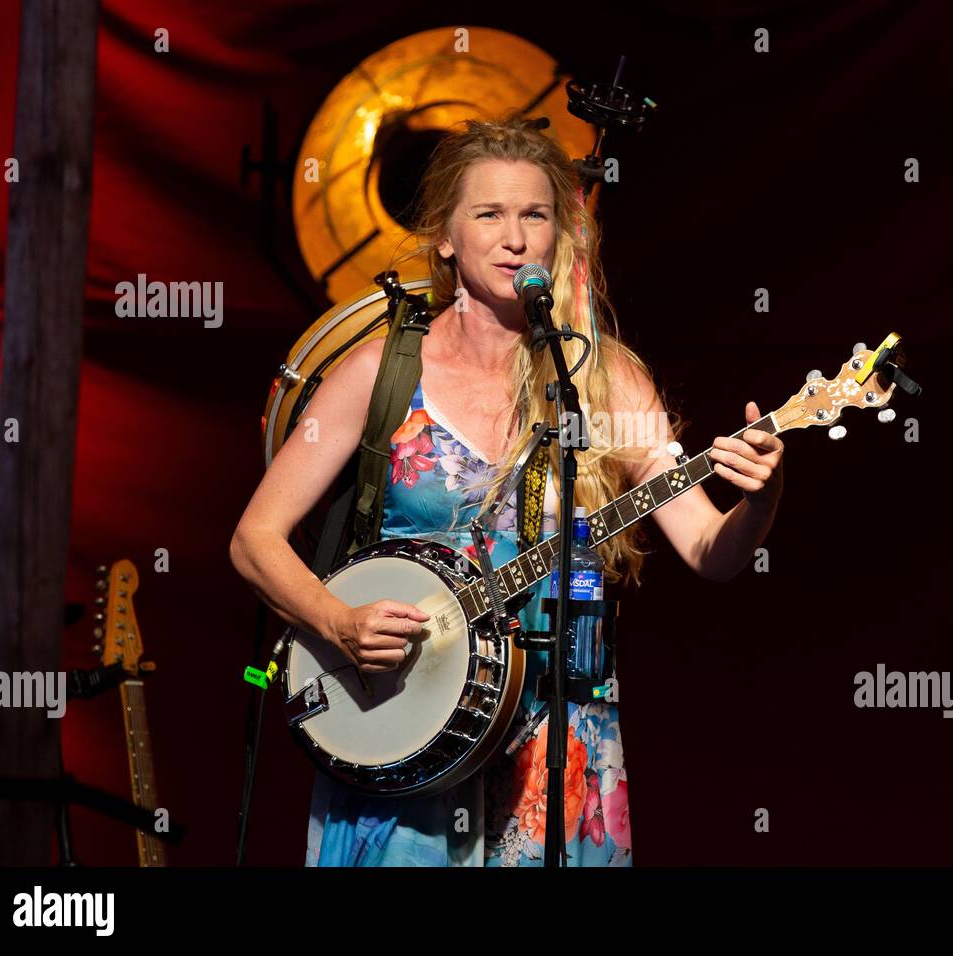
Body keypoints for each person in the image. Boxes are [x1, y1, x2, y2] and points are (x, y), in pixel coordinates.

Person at [229, 114, 785, 866]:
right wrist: (338, 621)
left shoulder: (603, 379)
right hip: (406, 730)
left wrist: (760, 499)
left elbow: (710, 551)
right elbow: (254, 539)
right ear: (447, 236)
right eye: (489, 214)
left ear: (561, 235)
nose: (514, 237)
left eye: (535, 215)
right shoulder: (380, 372)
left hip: (558, 745)